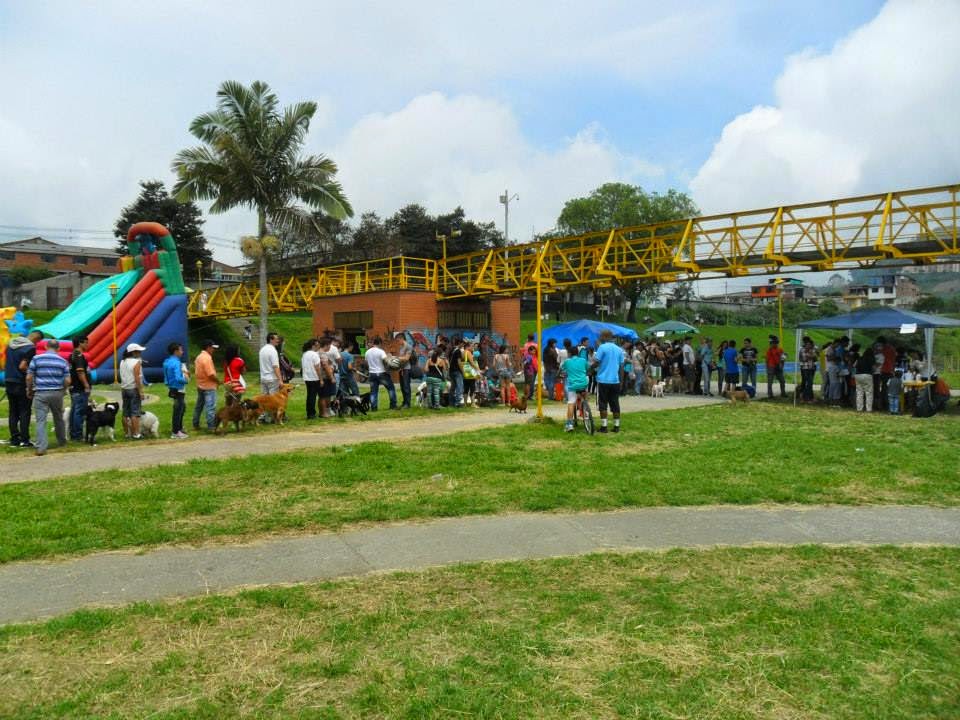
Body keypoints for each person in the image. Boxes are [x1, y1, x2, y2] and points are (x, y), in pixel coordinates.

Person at [25, 338, 70, 456]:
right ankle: (62, 442)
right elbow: (68, 380)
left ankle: (41, 447)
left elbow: (29, 377)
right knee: (58, 418)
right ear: (59, 348)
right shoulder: (62, 361)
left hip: (41, 393)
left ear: (45, 347)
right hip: (57, 393)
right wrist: (63, 389)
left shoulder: (36, 359)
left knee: (41, 420)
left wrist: (29, 389)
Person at [4, 329, 41, 448]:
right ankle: (25, 440)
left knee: (13, 411)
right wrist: (31, 375)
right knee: (25, 411)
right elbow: (23, 366)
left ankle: (14, 439)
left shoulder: (11, 344)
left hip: (9, 380)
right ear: (37, 339)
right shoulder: (30, 348)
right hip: (21, 382)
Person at [594, 330, 624, 433]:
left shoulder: (602, 347)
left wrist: (589, 369)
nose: (599, 337)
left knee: (603, 404)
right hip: (615, 381)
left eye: (600, 335)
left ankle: (604, 427)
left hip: (603, 380)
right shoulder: (619, 349)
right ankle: (616, 426)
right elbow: (621, 366)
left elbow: (597, 362)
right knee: (615, 404)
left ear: (605, 336)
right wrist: (621, 381)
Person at [119, 343, 146, 439]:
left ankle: (127, 433)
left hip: (124, 389)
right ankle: (136, 434)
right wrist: (141, 391)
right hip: (133, 389)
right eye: (139, 351)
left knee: (125, 412)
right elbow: (137, 378)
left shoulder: (122, 361)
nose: (140, 353)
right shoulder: (136, 362)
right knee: (135, 412)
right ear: (133, 352)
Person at [163, 342, 189, 439]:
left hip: (172, 388)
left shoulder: (167, 361)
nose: (182, 352)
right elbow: (178, 378)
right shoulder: (177, 363)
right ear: (176, 351)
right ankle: (175, 432)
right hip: (179, 389)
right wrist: (186, 379)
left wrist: (169, 384)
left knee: (181, 408)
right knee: (178, 410)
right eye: (181, 350)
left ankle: (179, 429)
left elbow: (166, 377)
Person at [192, 339, 220, 431]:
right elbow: (211, 374)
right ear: (208, 347)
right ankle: (211, 426)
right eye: (212, 348)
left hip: (200, 385)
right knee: (210, 407)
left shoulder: (199, 357)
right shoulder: (207, 358)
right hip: (209, 386)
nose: (213, 350)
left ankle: (195, 423)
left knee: (199, 406)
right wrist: (218, 381)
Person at [562, 342, 589, 432]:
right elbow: (588, 368)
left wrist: (559, 375)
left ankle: (569, 424)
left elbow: (561, 370)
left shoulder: (567, 362)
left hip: (573, 385)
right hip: (583, 383)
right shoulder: (583, 360)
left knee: (571, 403)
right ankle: (585, 409)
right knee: (584, 393)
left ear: (569, 353)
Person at [68, 335, 91, 441]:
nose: (87, 344)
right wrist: (86, 385)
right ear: (80, 343)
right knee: (80, 412)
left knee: (74, 410)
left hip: (73, 387)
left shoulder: (72, 355)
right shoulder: (79, 356)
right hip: (80, 388)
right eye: (86, 342)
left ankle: (73, 433)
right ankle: (77, 435)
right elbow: (80, 371)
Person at [365, 336, 397, 410]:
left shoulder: (367, 352)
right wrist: (390, 357)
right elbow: (386, 361)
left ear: (373, 343)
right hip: (381, 373)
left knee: (373, 391)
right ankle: (393, 405)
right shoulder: (381, 351)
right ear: (379, 343)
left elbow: (367, 363)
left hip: (372, 374)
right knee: (391, 388)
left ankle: (374, 407)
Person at [301, 338, 323, 420]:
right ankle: (312, 414)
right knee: (313, 396)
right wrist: (321, 379)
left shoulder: (305, 354)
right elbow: (317, 368)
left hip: (307, 378)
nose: (318, 347)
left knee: (309, 395)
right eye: (317, 345)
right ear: (313, 345)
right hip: (314, 378)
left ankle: (309, 412)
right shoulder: (314, 355)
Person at [317, 337, 337, 418]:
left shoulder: (317, 352)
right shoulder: (323, 354)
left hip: (321, 377)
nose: (330, 347)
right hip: (325, 377)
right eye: (330, 345)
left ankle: (322, 412)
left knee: (322, 396)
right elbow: (325, 366)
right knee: (325, 396)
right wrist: (332, 377)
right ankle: (324, 413)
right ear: (326, 345)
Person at [852, 343, 875, 412]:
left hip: (858, 375)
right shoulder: (871, 359)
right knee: (869, 393)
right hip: (867, 375)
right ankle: (868, 409)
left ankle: (859, 408)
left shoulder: (860, 358)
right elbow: (873, 368)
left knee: (859, 392)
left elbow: (854, 365)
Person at [396, 334, 414, 409]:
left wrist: (396, 358)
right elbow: (402, 359)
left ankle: (408, 403)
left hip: (406, 369)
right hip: (401, 369)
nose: (397, 342)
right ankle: (404, 402)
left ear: (402, 339)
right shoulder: (401, 347)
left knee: (406, 386)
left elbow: (406, 358)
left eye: (398, 340)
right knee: (402, 387)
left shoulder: (408, 346)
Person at [798, 336, 817, 403]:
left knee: (810, 383)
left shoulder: (813, 350)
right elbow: (801, 359)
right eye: (807, 344)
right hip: (804, 368)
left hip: (811, 368)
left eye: (810, 345)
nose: (809, 346)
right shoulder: (802, 350)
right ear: (805, 344)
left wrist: (813, 356)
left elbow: (815, 359)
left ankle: (809, 397)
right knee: (806, 383)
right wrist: (807, 357)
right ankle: (803, 397)